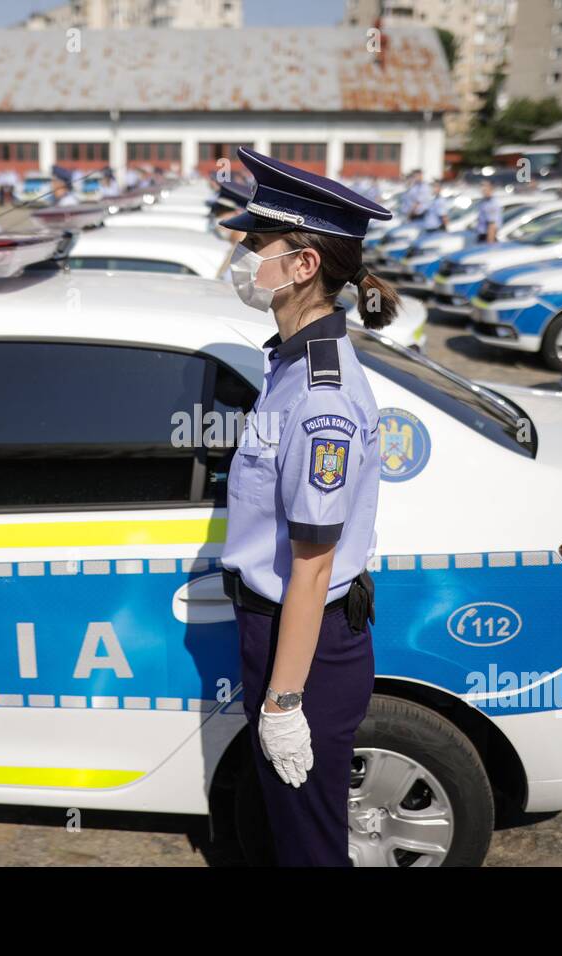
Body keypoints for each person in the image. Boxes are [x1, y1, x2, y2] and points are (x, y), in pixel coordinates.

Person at [216, 146, 398, 867]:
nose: (242, 258)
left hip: (306, 650)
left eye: (256, 246)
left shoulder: (321, 394)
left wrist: (285, 703)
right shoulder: (290, 361)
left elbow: (313, 566)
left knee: (311, 850)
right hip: (285, 639)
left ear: (303, 266)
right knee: (284, 834)